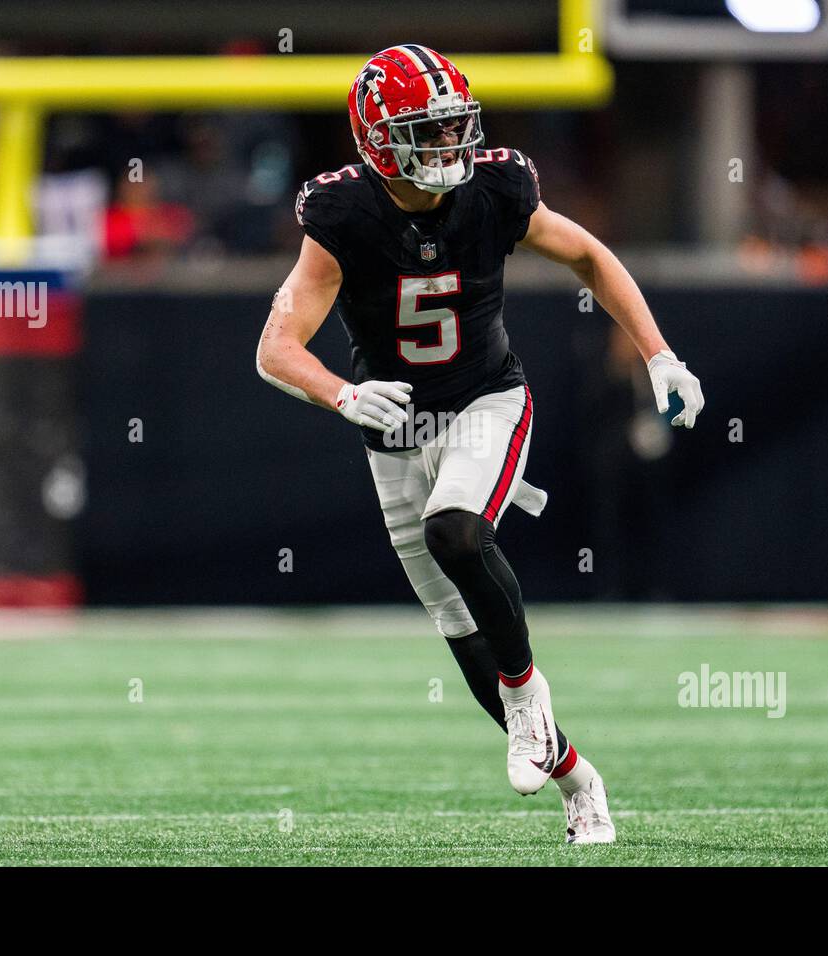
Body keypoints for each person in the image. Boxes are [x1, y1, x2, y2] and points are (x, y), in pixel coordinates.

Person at [256, 45, 704, 844]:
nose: (448, 149)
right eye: (425, 133)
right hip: (394, 426)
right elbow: (277, 348)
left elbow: (590, 257)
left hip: (485, 401)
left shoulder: (495, 189)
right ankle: (579, 780)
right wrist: (343, 393)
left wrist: (659, 353)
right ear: (377, 140)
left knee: (456, 530)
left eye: (453, 127)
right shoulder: (343, 215)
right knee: (461, 635)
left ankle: (531, 701)